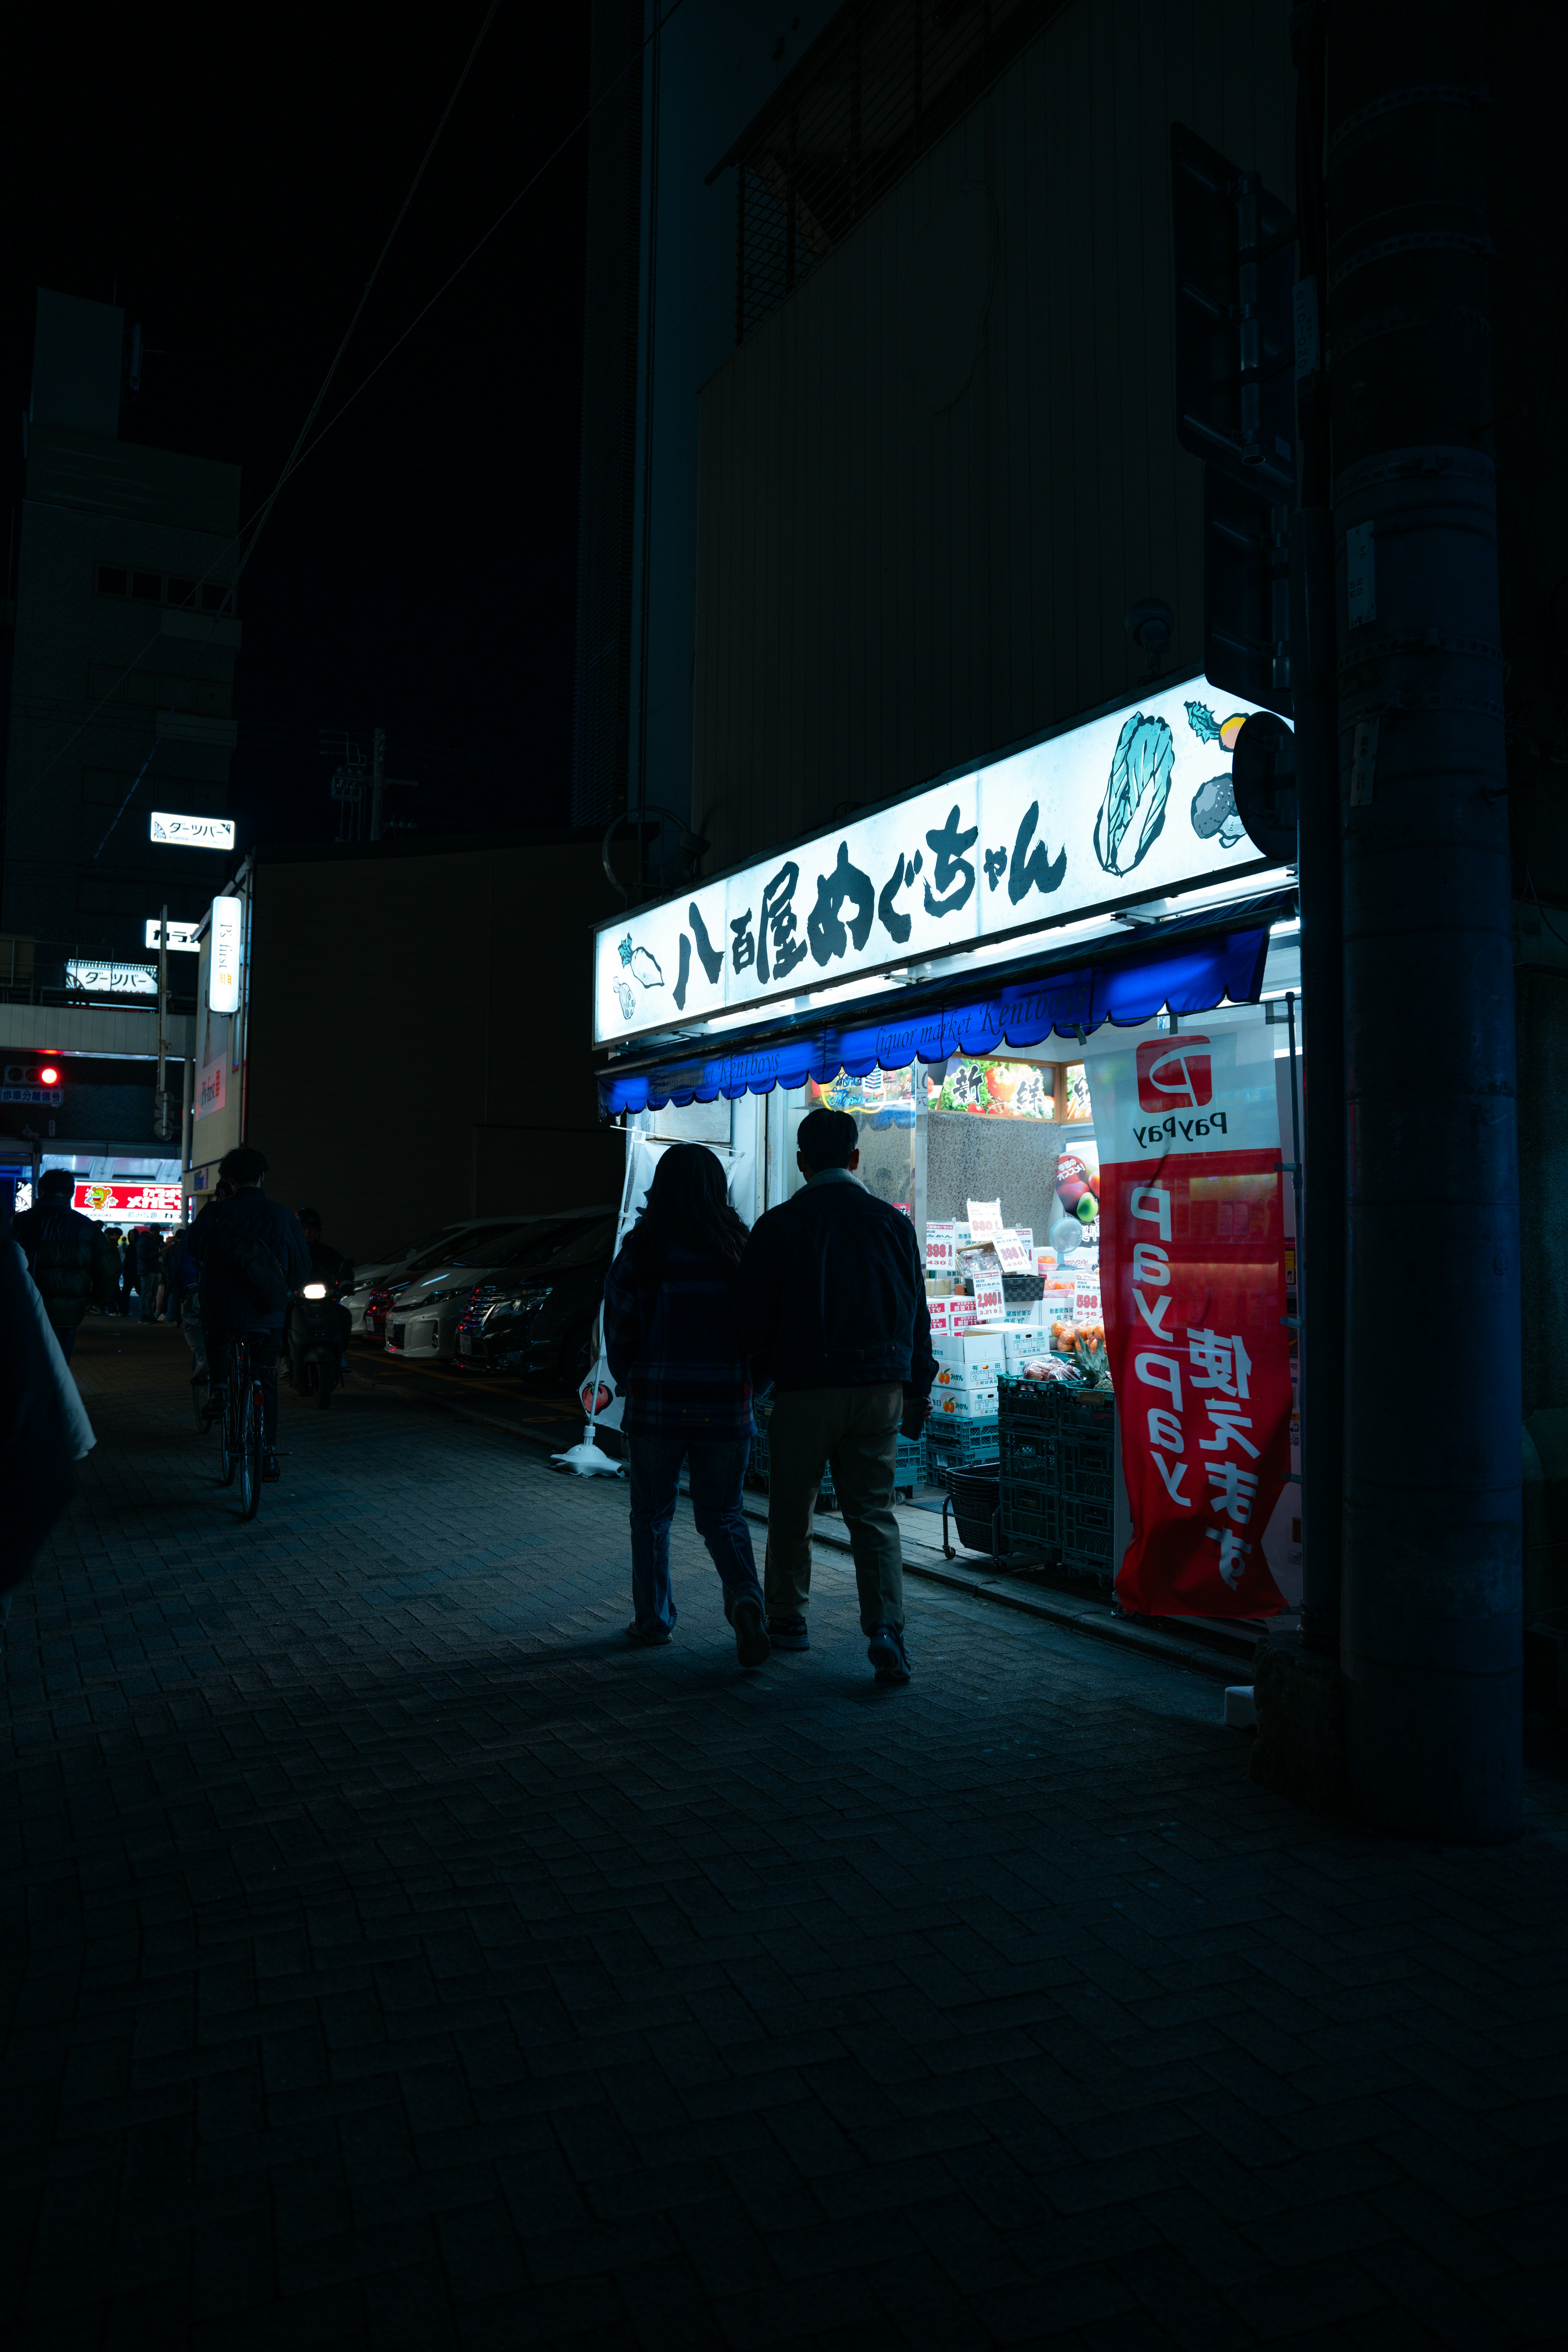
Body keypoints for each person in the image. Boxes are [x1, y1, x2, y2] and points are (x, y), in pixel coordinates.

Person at [737, 1106, 935, 1685]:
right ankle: (884, 1629)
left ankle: (789, 1622)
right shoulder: (891, 1223)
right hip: (878, 1391)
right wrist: (916, 1387)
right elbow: (915, 1316)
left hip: (804, 1391)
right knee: (873, 1515)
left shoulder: (777, 1226)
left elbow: (753, 1319)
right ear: (855, 1158)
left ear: (801, 1163)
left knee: (791, 1509)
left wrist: (762, 1376)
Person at [602, 1142, 770, 1669]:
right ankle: (746, 1600)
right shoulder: (740, 1249)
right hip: (725, 1406)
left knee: (651, 1516)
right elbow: (763, 1334)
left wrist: (635, 1380)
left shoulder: (642, 1250)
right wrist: (753, 1387)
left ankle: (653, 1621)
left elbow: (620, 1328)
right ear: (717, 1189)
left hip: (657, 1407)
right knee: (723, 1516)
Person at [190, 1146, 310, 1480]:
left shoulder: (214, 1214)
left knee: (216, 1338)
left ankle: (220, 1389)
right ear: (262, 1176)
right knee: (265, 1377)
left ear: (229, 1178)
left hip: (221, 1309)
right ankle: (268, 1454)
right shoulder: (283, 1217)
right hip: (267, 1313)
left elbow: (192, 1250)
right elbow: (301, 1270)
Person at [10, 1168, 121, 1363]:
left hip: (25, 1308)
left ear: (41, 1191)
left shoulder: (20, 1223)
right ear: (72, 1193)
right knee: (59, 1366)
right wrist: (93, 1299)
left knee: (23, 1366)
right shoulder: (87, 1227)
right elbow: (109, 1271)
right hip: (67, 1314)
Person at [295, 1208, 353, 1291]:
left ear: (318, 1230)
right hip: (294, 1296)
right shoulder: (288, 1252)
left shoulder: (326, 1252)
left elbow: (340, 1267)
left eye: (312, 1228)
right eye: (304, 1228)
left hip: (324, 1295)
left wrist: (346, 1282)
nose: (308, 1232)